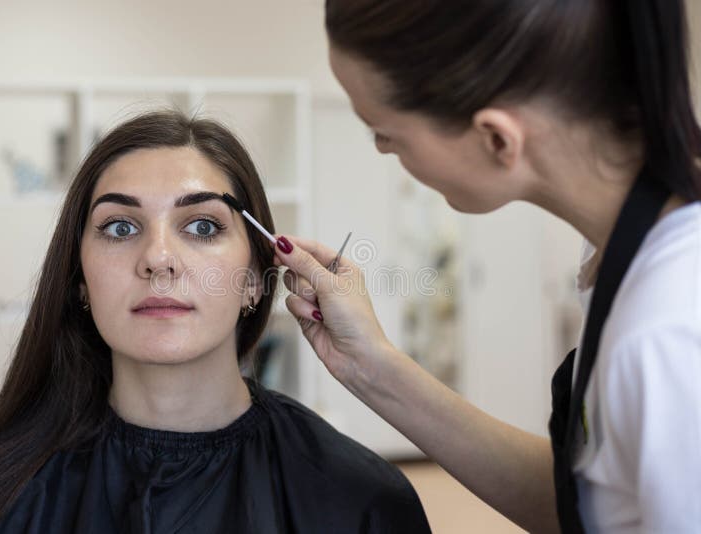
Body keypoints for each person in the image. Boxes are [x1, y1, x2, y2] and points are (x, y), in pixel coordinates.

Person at [272, 1, 701, 533]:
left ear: (496, 138)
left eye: (385, 131)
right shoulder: (620, 261)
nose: (383, 150)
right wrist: (370, 363)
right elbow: (597, 499)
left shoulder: (671, 331)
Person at [0, 111, 431, 534]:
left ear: (255, 278)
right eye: (120, 227)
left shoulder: (362, 502)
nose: (158, 259)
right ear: (80, 283)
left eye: (202, 226)